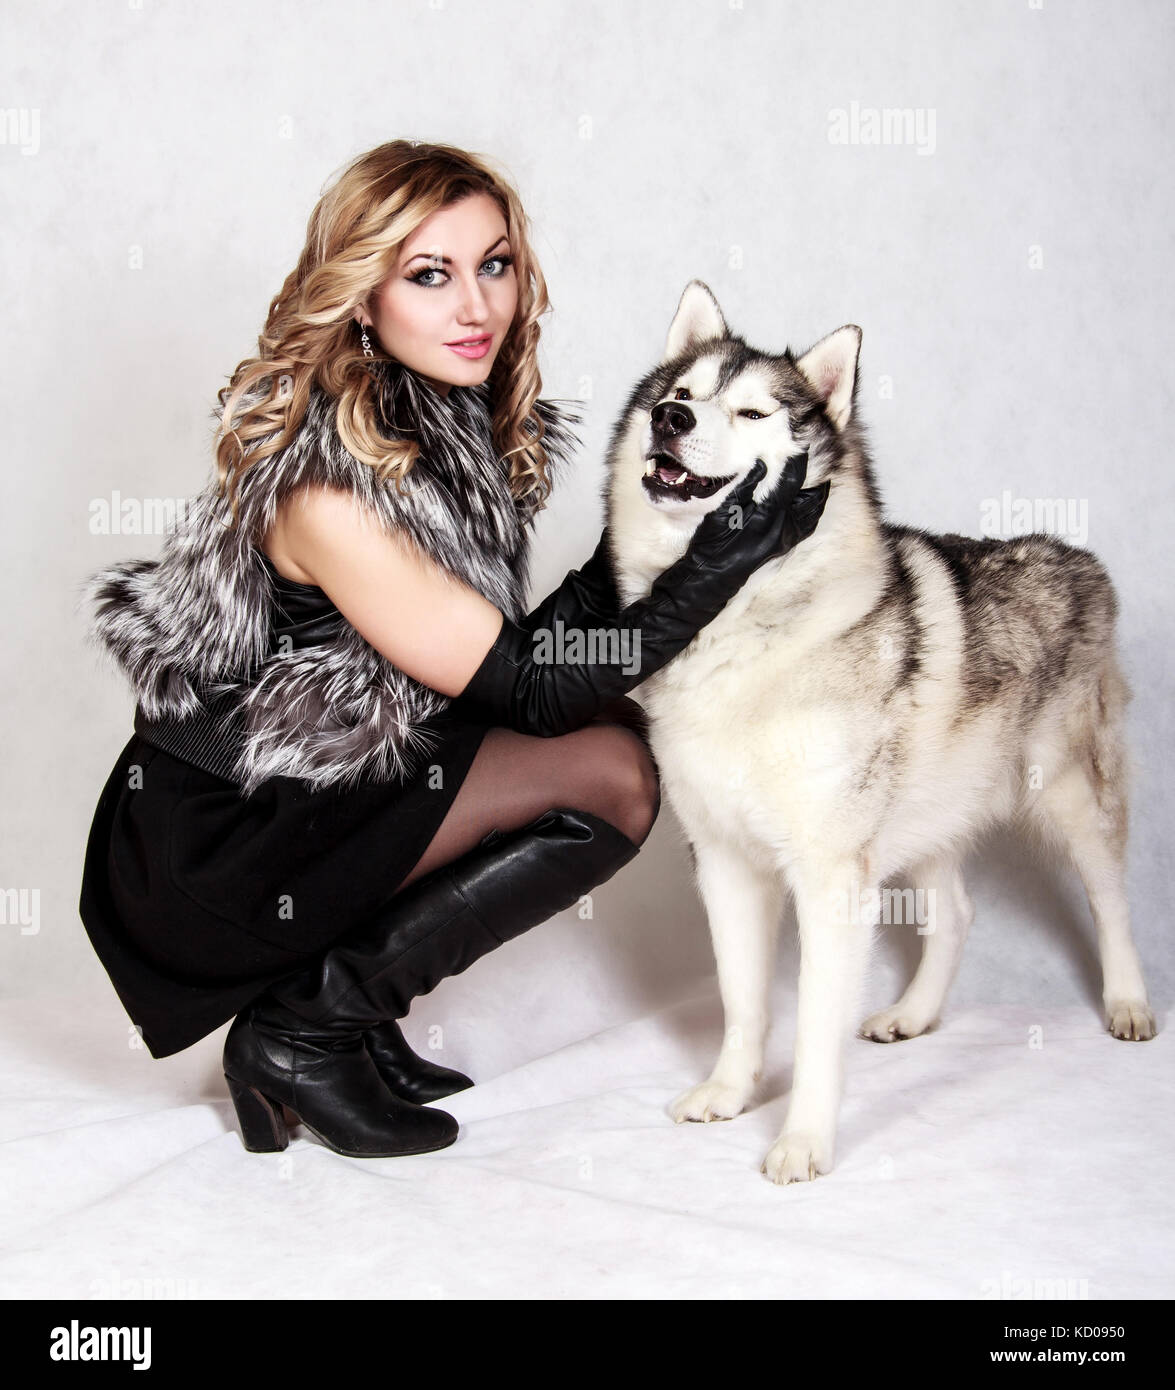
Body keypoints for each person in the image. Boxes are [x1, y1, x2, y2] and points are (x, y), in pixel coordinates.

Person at [78, 139, 829, 1161]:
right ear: (358, 297)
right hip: (216, 842)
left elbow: (502, 655)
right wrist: (719, 565)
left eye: (494, 264)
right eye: (429, 275)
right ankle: (305, 1028)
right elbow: (523, 685)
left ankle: (333, 1010)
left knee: (604, 720)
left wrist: (668, 535)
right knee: (614, 775)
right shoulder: (327, 487)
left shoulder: (435, 420)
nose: (475, 306)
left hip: (307, 790)